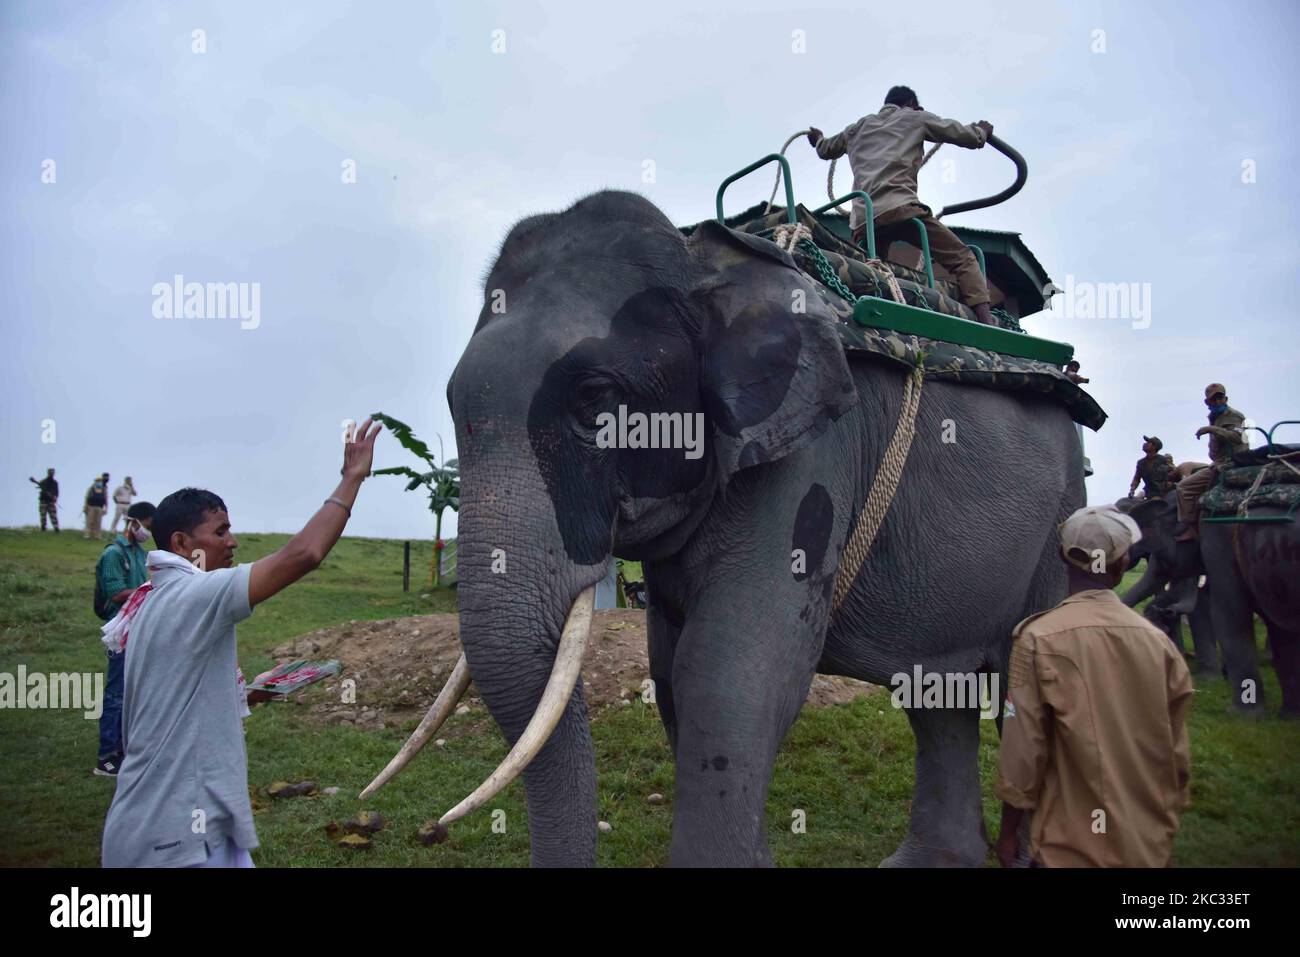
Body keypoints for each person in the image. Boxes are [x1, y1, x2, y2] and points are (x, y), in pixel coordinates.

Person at [100, 418, 381, 868]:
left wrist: (246, 694)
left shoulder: (151, 600)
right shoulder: (192, 594)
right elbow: (303, 555)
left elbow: (172, 694)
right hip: (172, 839)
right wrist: (352, 478)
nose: (232, 542)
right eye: (219, 532)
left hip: (172, 827)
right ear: (181, 542)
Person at [994, 505, 1193, 867]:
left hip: (1067, 848)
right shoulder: (1159, 644)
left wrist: (1008, 833)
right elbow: (1176, 752)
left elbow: (1023, 749)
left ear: (1062, 557)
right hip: (1146, 845)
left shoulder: (1037, 639)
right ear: (1123, 564)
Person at [807, 85, 997, 324]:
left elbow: (825, 150)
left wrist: (818, 138)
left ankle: (867, 315)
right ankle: (987, 322)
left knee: (875, 267)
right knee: (963, 258)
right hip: (901, 210)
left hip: (864, 221)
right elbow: (969, 137)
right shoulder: (915, 117)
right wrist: (982, 130)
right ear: (909, 103)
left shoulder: (857, 128)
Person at [93, 502, 155, 777]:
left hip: (138, 629)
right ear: (133, 523)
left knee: (134, 692)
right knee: (117, 693)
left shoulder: (141, 554)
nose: (148, 532)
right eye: (147, 526)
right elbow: (116, 591)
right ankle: (106, 756)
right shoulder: (113, 554)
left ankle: (125, 748)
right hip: (120, 633)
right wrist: (150, 591)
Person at [1175, 383, 1248, 542]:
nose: (1217, 401)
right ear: (1207, 402)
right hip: (1218, 462)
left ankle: (1191, 528)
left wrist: (1211, 429)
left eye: (1219, 397)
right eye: (1213, 399)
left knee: (1183, 487)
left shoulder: (1234, 416)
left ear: (1225, 398)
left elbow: (1236, 438)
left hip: (1230, 463)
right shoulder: (1216, 417)